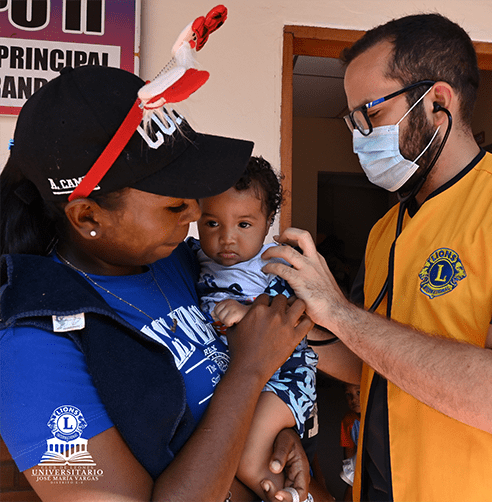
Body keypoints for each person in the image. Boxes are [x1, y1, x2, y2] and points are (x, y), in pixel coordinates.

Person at [262, 12, 492, 502]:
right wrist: (294, 326)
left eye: (371, 113)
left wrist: (341, 312)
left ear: (437, 102)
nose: (358, 136)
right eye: (352, 120)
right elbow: (374, 358)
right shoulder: (386, 229)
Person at [0, 64, 312, 502]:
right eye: (173, 206)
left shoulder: (177, 262)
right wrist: (249, 370)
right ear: (88, 215)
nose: (193, 216)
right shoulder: (29, 348)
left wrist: (272, 430)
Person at [189, 156, 317, 498]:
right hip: (245, 376)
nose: (226, 239)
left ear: (269, 221)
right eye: (212, 223)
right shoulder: (192, 258)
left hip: (283, 375)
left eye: (243, 225)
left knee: (247, 459)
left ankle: (297, 496)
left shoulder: (277, 265)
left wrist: (248, 313)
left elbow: (298, 317)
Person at [339, 383, 361, 501]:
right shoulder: (348, 420)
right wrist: (350, 471)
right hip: (359, 459)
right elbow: (349, 449)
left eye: (358, 392)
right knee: (351, 484)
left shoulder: (378, 415)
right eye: (348, 395)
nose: (354, 399)